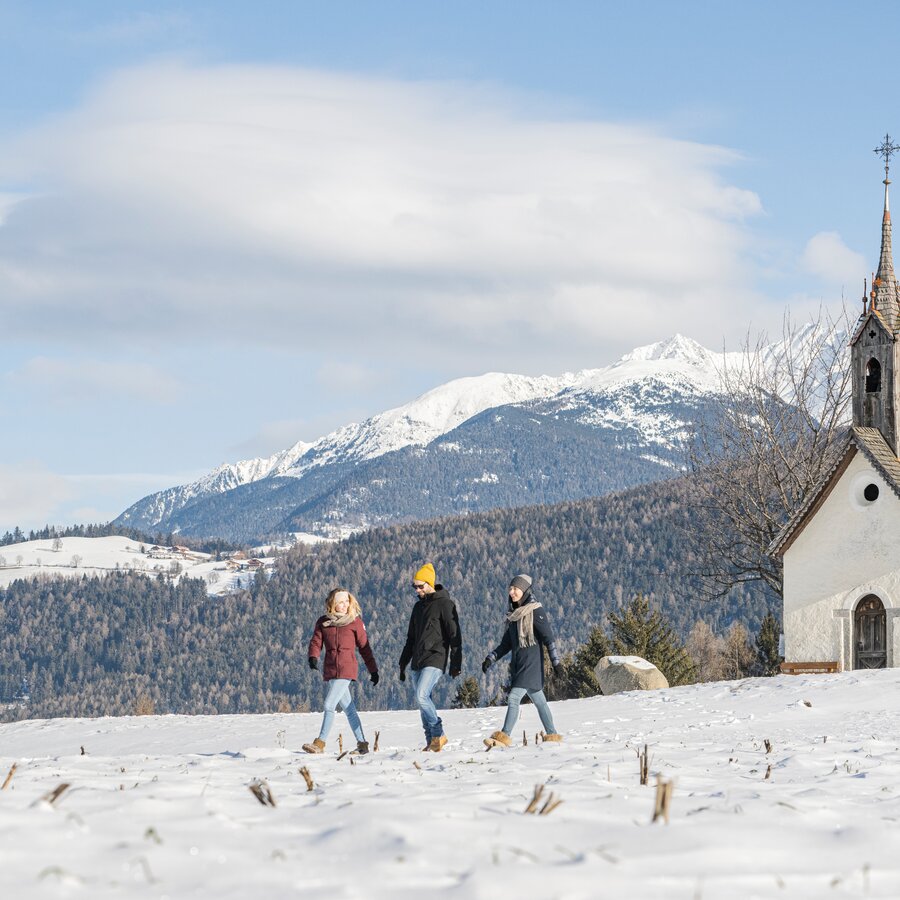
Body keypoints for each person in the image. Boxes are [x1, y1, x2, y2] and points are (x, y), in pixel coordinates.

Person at [482, 574, 563, 748]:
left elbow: (548, 638)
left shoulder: (535, 611)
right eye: (510, 589)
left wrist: (556, 663)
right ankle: (552, 734)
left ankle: (502, 738)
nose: (512, 592)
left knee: (513, 698)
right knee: (539, 701)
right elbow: (505, 645)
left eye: (516, 589)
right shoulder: (514, 616)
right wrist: (491, 659)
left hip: (532, 664)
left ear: (525, 590)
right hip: (519, 665)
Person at [303, 588, 379, 755]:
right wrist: (313, 657)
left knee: (329, 704)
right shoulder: (323, 622)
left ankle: (320, 743)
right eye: (340, 603)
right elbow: (316, 642)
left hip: (347, 669)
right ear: (332, 604)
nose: (344, 605)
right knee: (349, 709)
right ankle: (362, 744)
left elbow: (365, 649)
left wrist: (373, 670)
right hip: (331, 670)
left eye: (346, 602)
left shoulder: (355, 622)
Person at [399, 563, 462, 752]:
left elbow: (455, 636)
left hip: (436, 657)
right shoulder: (418, 608)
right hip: (418, 659)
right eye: (414, 587)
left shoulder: (445, 604)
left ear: (430, 583)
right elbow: (411, 638)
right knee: (423, 701)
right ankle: (431, 742)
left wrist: (456, 663)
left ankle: (438, 733)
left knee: (421, 695)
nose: (417, 590)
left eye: (420, 586)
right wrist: (403, 663)